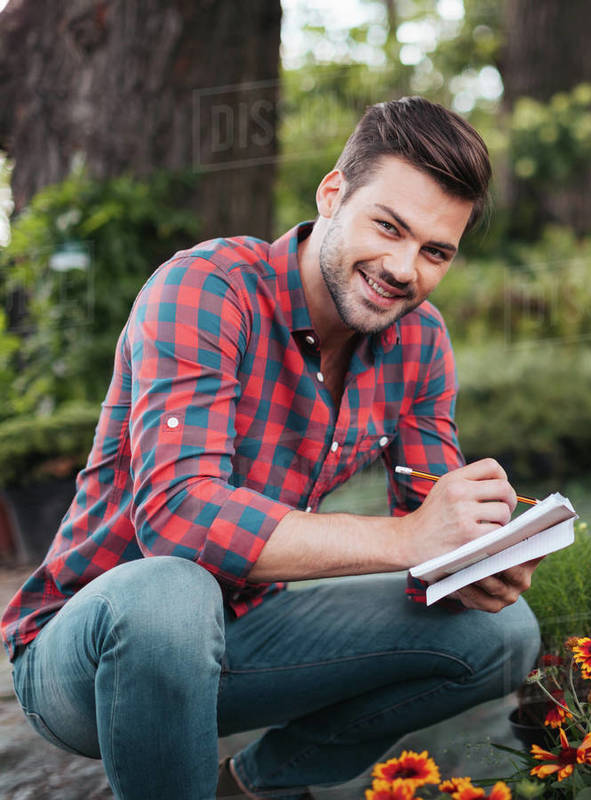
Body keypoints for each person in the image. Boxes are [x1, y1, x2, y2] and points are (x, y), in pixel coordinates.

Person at [2, 97, 542, 799]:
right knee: (171, 591)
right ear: (332, 194)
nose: (405, 268)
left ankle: (254, 785)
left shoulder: (420, 342)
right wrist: (410, 537)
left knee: (498, 636)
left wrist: (475, 558)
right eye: (389, 227)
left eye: (435, 251)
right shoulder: (206, 288)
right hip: (91, 656)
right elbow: (179, 519)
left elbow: (430, 531)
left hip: (249, 637)